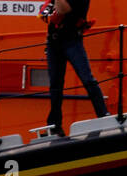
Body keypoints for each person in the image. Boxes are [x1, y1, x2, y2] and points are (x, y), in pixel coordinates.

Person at [42, 0, 108, 136]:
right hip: (54, 42)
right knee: (55, 85)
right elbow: (49, 14)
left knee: (87, 79)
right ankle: (54, 125)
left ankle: (104, 115)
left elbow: (62, 9)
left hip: (72, 41)